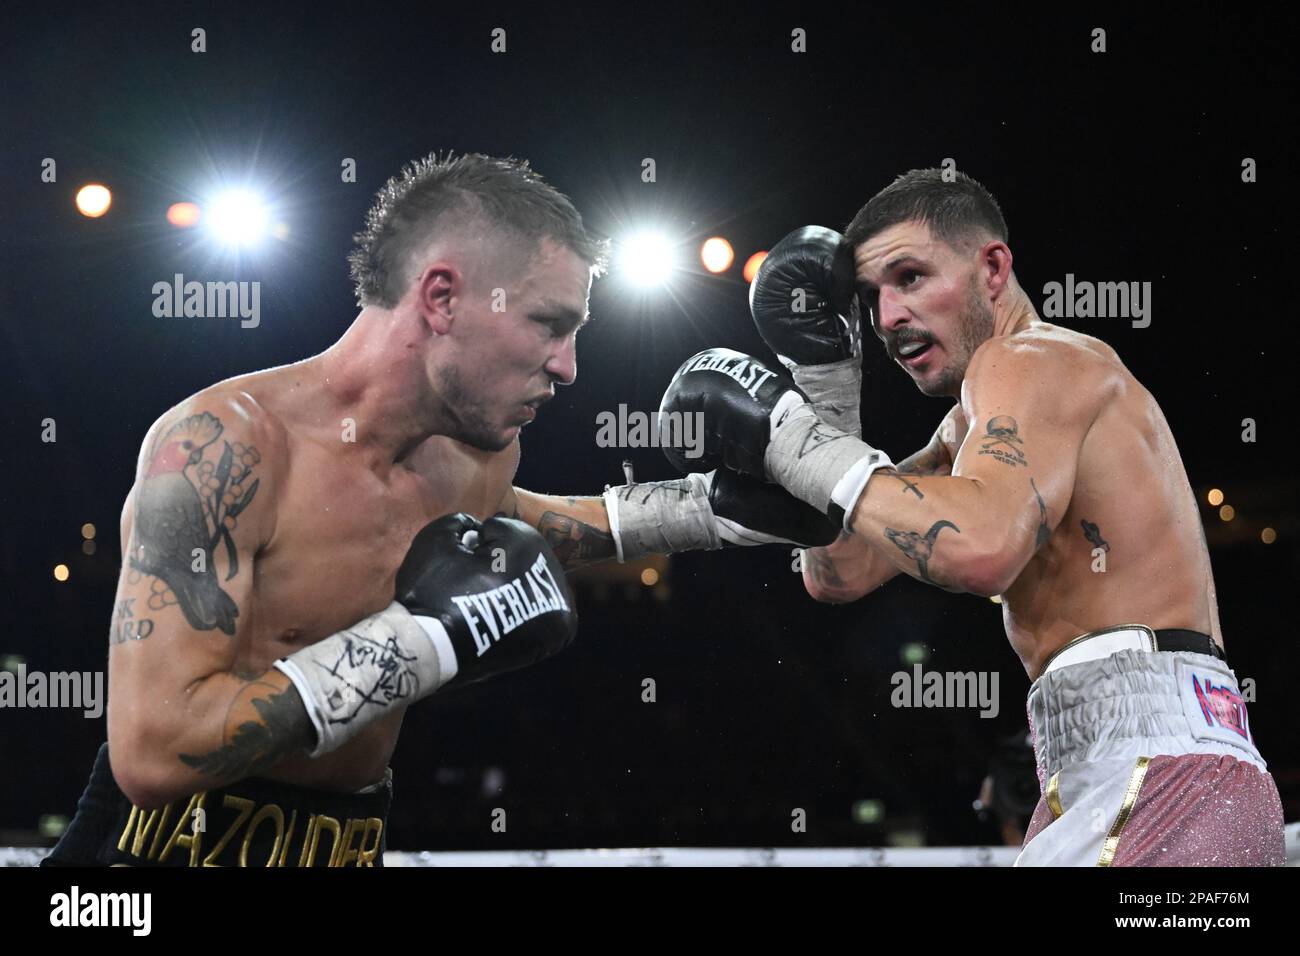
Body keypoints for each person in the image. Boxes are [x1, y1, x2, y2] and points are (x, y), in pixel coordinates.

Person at [44, 151, 834, 867]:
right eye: (549, 325)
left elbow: (519, 529)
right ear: (444, 297)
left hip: (345, 846)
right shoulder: (225, 449)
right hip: (151, 860)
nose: (567, 366)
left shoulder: (475, 457)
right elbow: (150, 757)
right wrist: (420, 640)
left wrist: (711, 512)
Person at [660, 169, 1285, 866]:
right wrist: (826, 392)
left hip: (1155, 775)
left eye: (910, 277)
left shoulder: (1028, 357)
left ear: (992, 268)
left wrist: (786, 439)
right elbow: (840, 569)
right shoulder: (970, 428)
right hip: (1138, 776)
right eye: (872, 298)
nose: (889, 315)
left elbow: (981, 546)